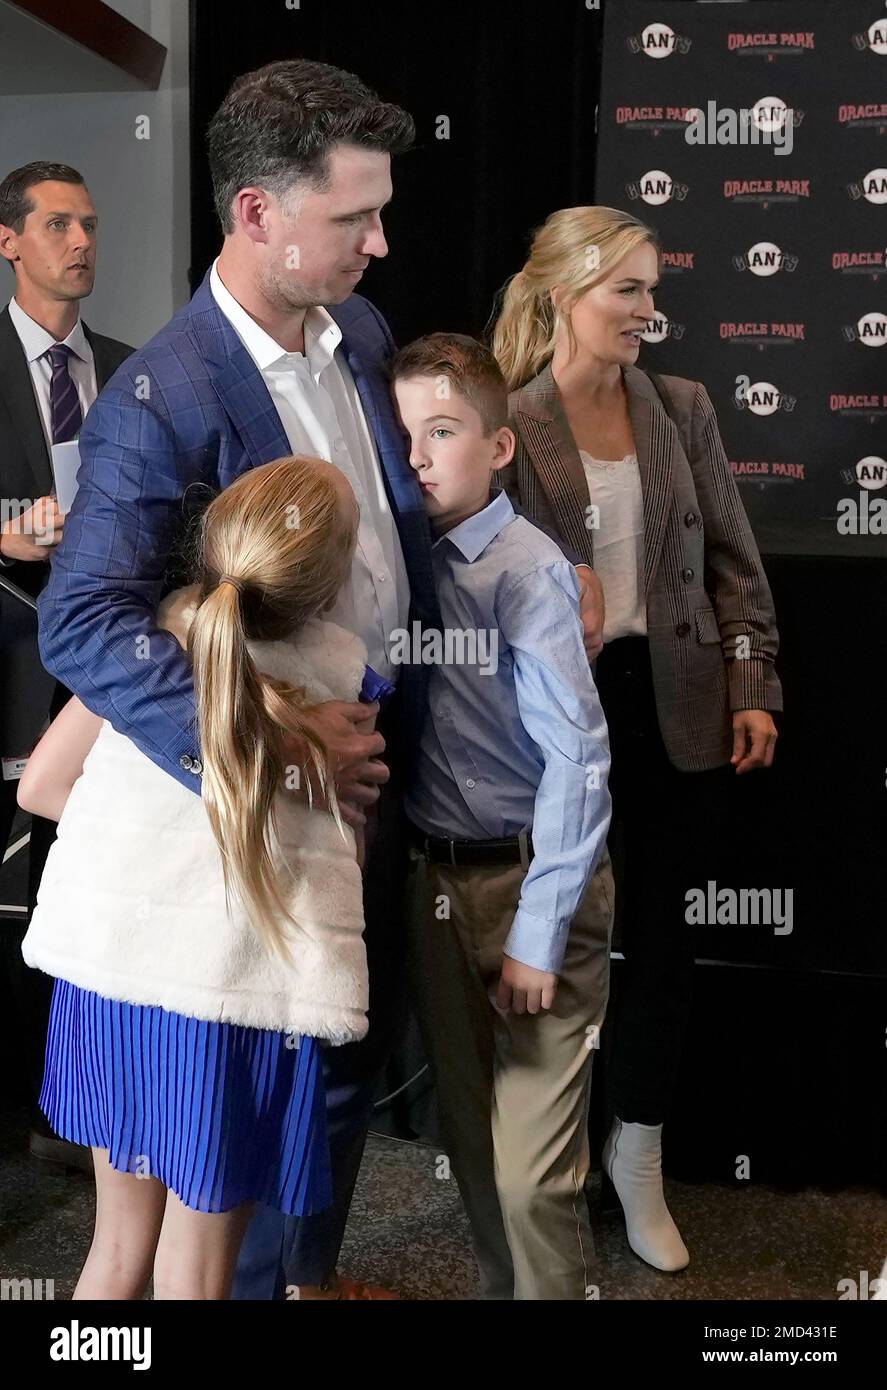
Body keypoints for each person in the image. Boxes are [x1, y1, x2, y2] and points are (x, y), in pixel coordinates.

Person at [35, 60, 606, 1302]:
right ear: (255, 215)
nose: (379, 239)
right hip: (232, 855)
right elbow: (80, 625)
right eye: (353, 216)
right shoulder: (161, 396)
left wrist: (536, 576)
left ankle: (297, 1282)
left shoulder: (362, 335)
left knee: (326, 1102)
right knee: (204, 1202)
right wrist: (282, 745)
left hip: (369, 788)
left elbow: (403, 532)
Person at [19, 455, 388, 1299]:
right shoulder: (343, 697)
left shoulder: (147, 652)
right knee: (198, 1274)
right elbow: (337, 873)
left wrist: (143, 841)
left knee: (113, 1258)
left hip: (112, 983)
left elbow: (41, 787)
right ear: (330, 584)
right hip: (232, 1008)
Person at [491, 206, 782, 1272]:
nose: (648, 312)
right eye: (628, 291)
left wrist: (752, 680)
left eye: (651, 291)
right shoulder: (506, 417)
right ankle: (545, 1169)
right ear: (565, 291)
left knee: (662, 943)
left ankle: (639, 1155)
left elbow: (734, 565)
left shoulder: (681, 406)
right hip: (551, 718)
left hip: (678, 712)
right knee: (556, 937)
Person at [391, 334, 614, 1300]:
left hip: (537, 887)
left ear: (499, 447)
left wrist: (535, 934)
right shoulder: (393, 560)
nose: (418, 457)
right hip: (436, 883)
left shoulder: (528, 572)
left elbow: (577, 760)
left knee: (531, 1181)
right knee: (473, 1150)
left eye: (442, 432)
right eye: (401, 435)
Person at [0, 161, 133, 1175]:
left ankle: (73, 1109)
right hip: (6, 675)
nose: (80, 241)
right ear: (9, 241)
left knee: (85, 897)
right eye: (56, 224)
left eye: (87, 224)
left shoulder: (130, 372)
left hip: (108, 687)